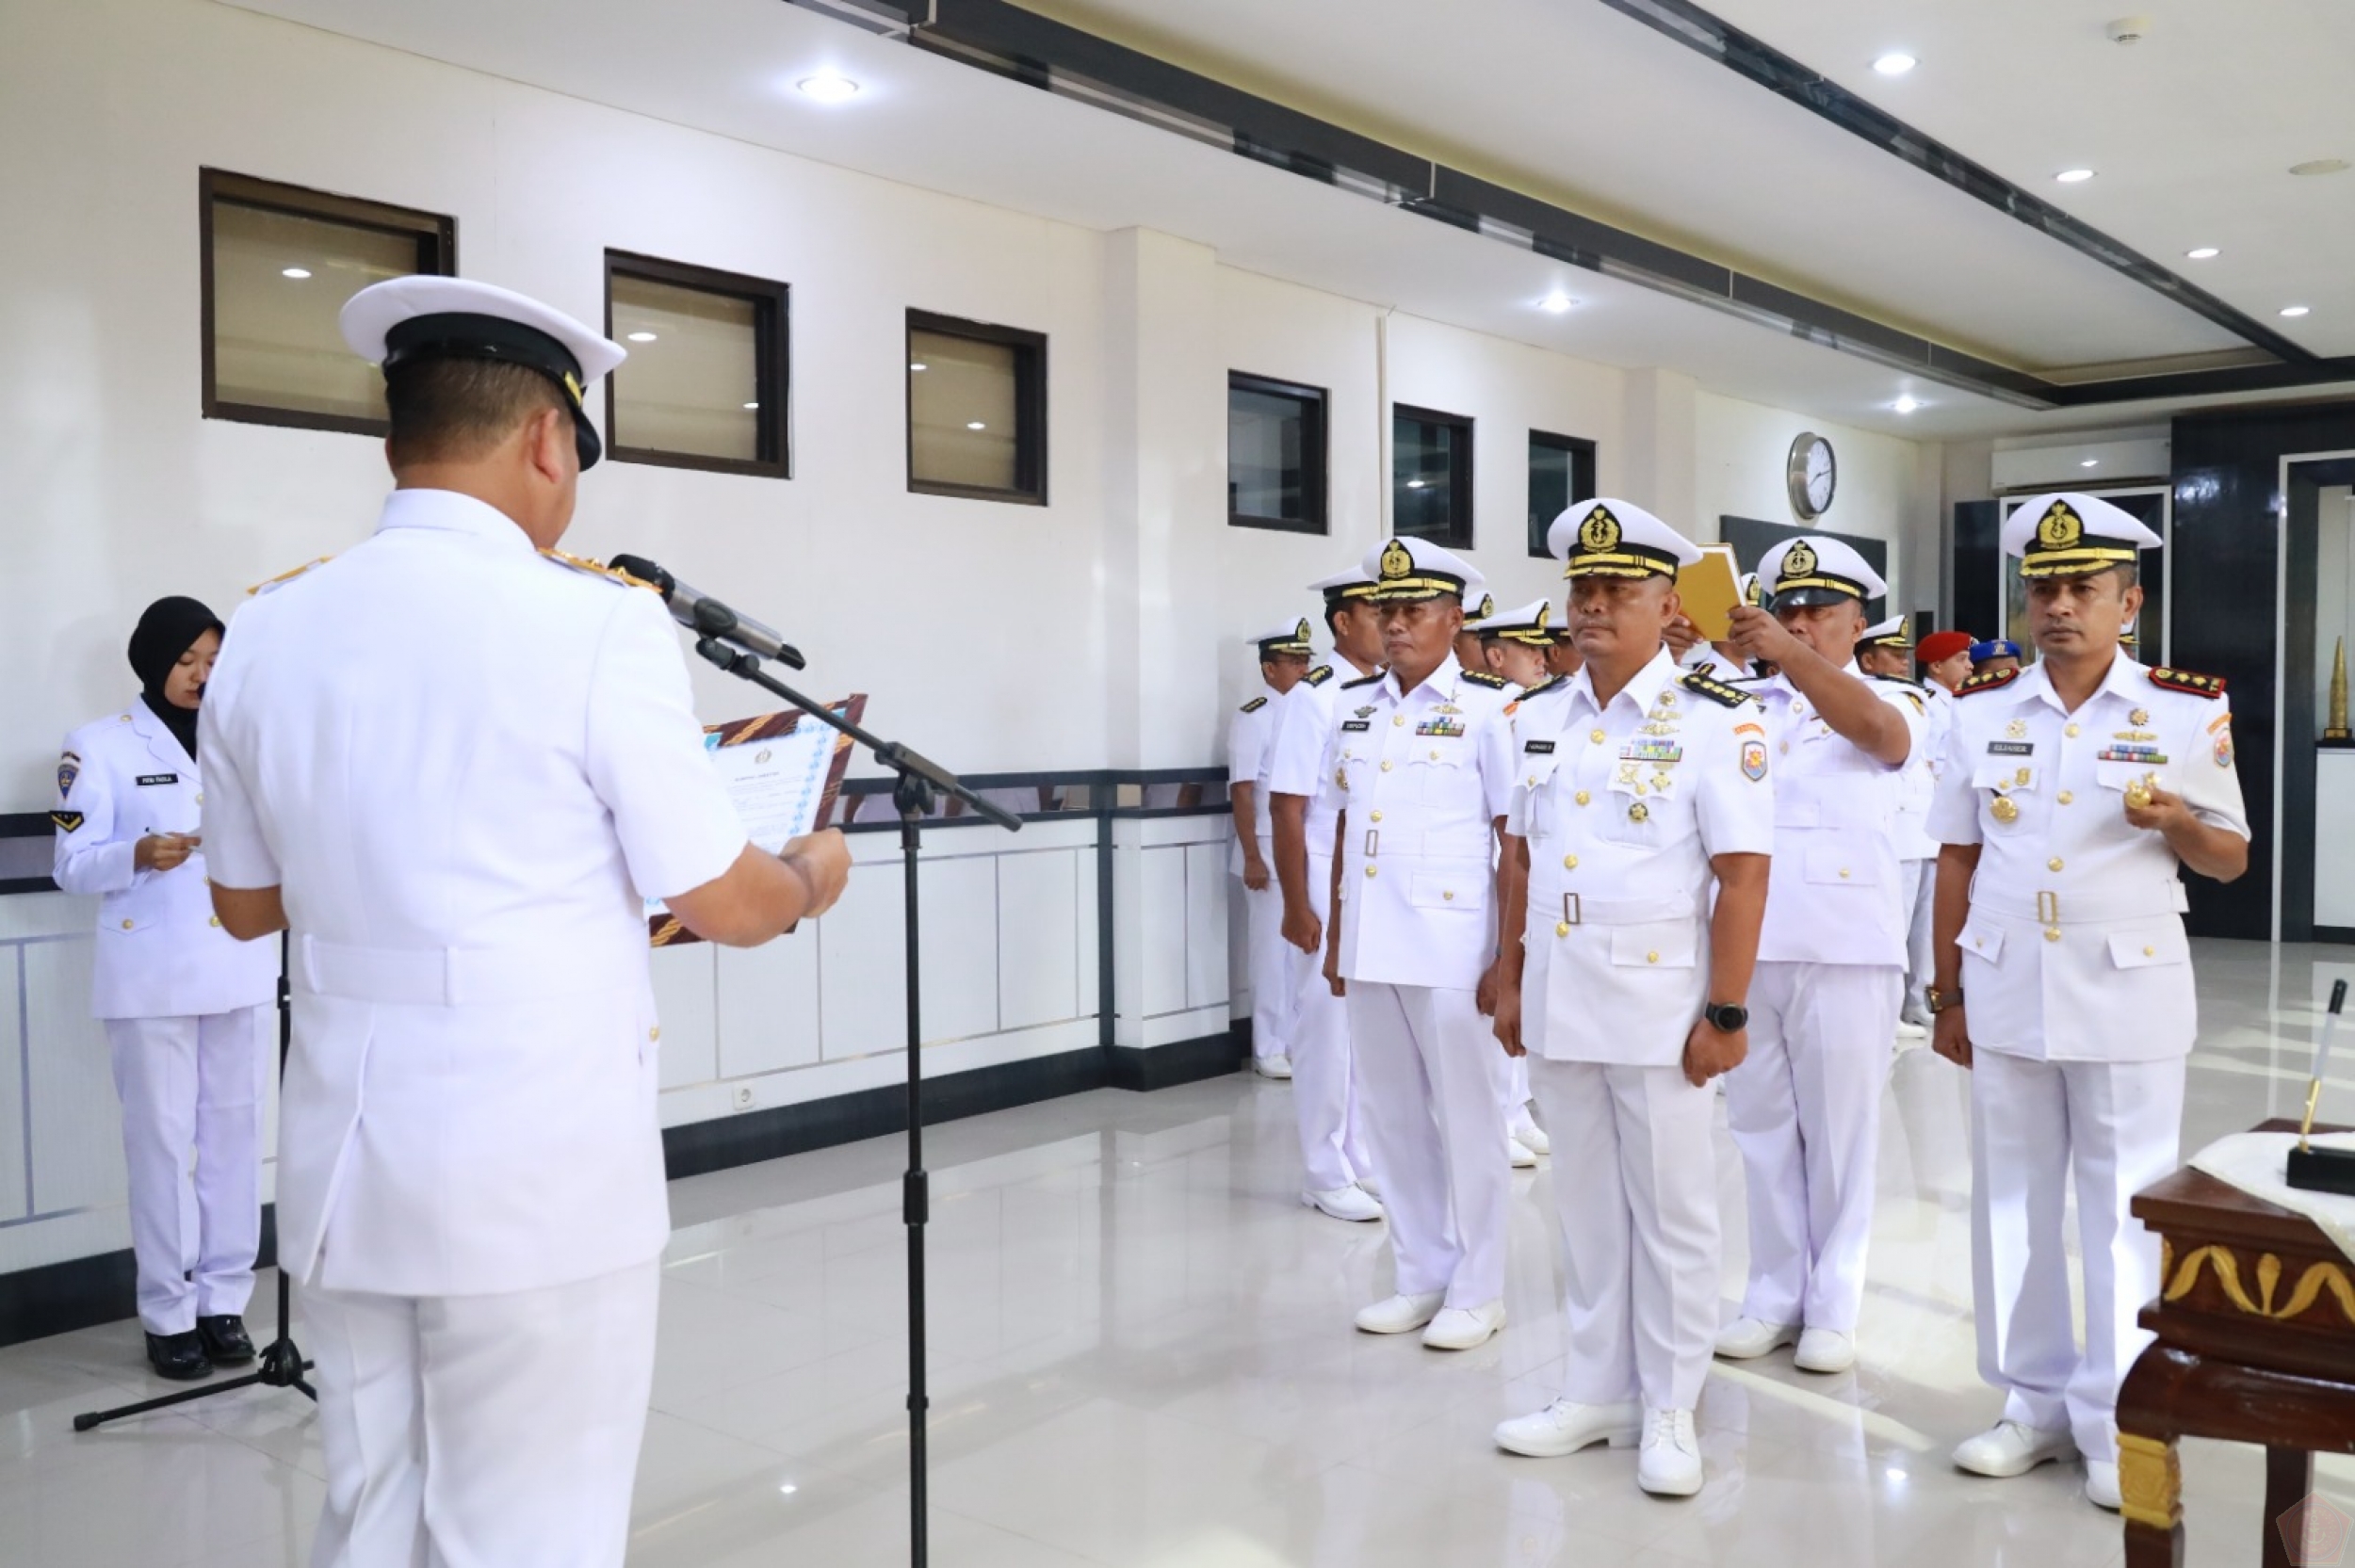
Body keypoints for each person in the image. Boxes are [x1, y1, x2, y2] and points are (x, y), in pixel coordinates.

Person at [199, 276, 853, 1568]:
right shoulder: (598, 621)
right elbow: (722, 900)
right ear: (547, 439)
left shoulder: (267, 626)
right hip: (534, 1168)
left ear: (402, 437)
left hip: (343, 1160)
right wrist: (812, 872)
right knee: (533, 1527)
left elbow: (240, 907)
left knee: (375, 1505)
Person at [1928, 492, 2247, 1511]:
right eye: (2042, 589)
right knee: (2012, 1202)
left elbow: (2231, 857)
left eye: (2081, 588)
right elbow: (1956, 857)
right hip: (2007, 982)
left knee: (2122, 1210)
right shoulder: (1979, 708)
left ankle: (2120, 1415)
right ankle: (2028, 1402)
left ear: (2128, 603)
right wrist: (1945, 993)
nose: (2058, 605)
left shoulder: (2183, 709)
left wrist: (2174, 824)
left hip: (2127, 994)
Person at [1488, 498, 1771, 1496]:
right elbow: (1518, 860)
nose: (1593, 605)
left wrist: (1727, 1013)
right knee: (1584, 1208)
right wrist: (1511, 972)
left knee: (1674, 1212)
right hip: (1563, 995)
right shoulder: (1533, 717)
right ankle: (1596, 1386)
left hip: (1661, 1008)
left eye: (1617, 589)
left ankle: (1670, 1403)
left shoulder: (1713, 720)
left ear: (1666, 606)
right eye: (1582, 587)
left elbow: (1742, 877)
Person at [52, 598, 280, 1381]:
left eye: (214, 661)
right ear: (152, 660)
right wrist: (137, 853)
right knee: (160, 1144)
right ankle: (167, 1311)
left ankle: (223, 1302)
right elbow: (69, 862)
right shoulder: (96, 747)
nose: (201, 676)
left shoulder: (245, 738)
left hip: (241, 965)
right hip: (149, 975)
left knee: (234, 1142)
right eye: (187, 661)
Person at [1713, 537, 1921, 1377]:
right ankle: (1772, 1291)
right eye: (1787, 608)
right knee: (1761, 1127)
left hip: (1845, 944)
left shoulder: (1896, 695)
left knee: (1841, 1133)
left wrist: (1790, 656)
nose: (1800, 622)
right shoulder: (1734, 701)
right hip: (1750, 945)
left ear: (1856, 622)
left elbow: (1880, 736)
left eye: (1819, 612)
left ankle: (1835, 1300)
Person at [1321, 538, 1518, 1350]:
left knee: (1471, 1120)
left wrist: (1507, 960)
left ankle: (1479, 1286)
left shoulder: (1489, 709)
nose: (1394, 625)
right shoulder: (1355, 705)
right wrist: (1337, 935)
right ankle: (1421, 1271)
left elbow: (1516, 841)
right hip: (1373, 941)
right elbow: (1343, 820)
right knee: (1391, 1115)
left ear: (1453, 616)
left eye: (1412, 610)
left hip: (1454, 947)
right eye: (1384, 610)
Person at [1270, 570, 1387, 1222]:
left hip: (1362, 875)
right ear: (1344, 621)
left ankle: (1358, 1154)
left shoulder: (1380, 691)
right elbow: (1288, 805)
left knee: (1359, 1026)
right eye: (1379, 611)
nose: (1391, 623)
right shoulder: (1314, 696)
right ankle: (1321, 1167)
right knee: (1322, 1025)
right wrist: (1296, 903)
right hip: (1318, 867)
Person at [1468, 598, 1561, 1166]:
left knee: (1518, 991)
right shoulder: (1500, 710)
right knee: (1497, 997)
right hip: (1496, 874)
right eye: (1531, 650)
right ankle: (1499, 1115)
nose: (1544, 661)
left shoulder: (1530, 708)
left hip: (1529, 872)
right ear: (1498, 655)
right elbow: (1508, 824)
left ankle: (1516, 1108)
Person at [1230, 620, 1317, 1079]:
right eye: (1293, 662)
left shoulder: (1311, 709)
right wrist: (1251, 856)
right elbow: (1242, 790)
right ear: (1269, 669)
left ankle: (1296, 1041)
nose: (1303, 669)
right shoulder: (1256, 714)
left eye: (1306, 660)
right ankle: (1267, 1047)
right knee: (1270, 955)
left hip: (1300, 846)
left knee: (1300, 954)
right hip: (1264, 847)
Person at [1858, 617, 1939, 1040]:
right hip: (1896, 831)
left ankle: (1916, 1001)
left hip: (1923, 827)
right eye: (1894, 654)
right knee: (1895, 925)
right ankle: (1885, 1015)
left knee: (1922, 925)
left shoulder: (1910, 697)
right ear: (1868, 659)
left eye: (1907, 655)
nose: (1904, 662)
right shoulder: (1866, 699)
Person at [1917, 629, 1974, 696]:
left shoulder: (1961, 698)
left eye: (1968, 659)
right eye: (1961, 659)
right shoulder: (1922, 701)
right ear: (1937, 666)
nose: (1971, 666)